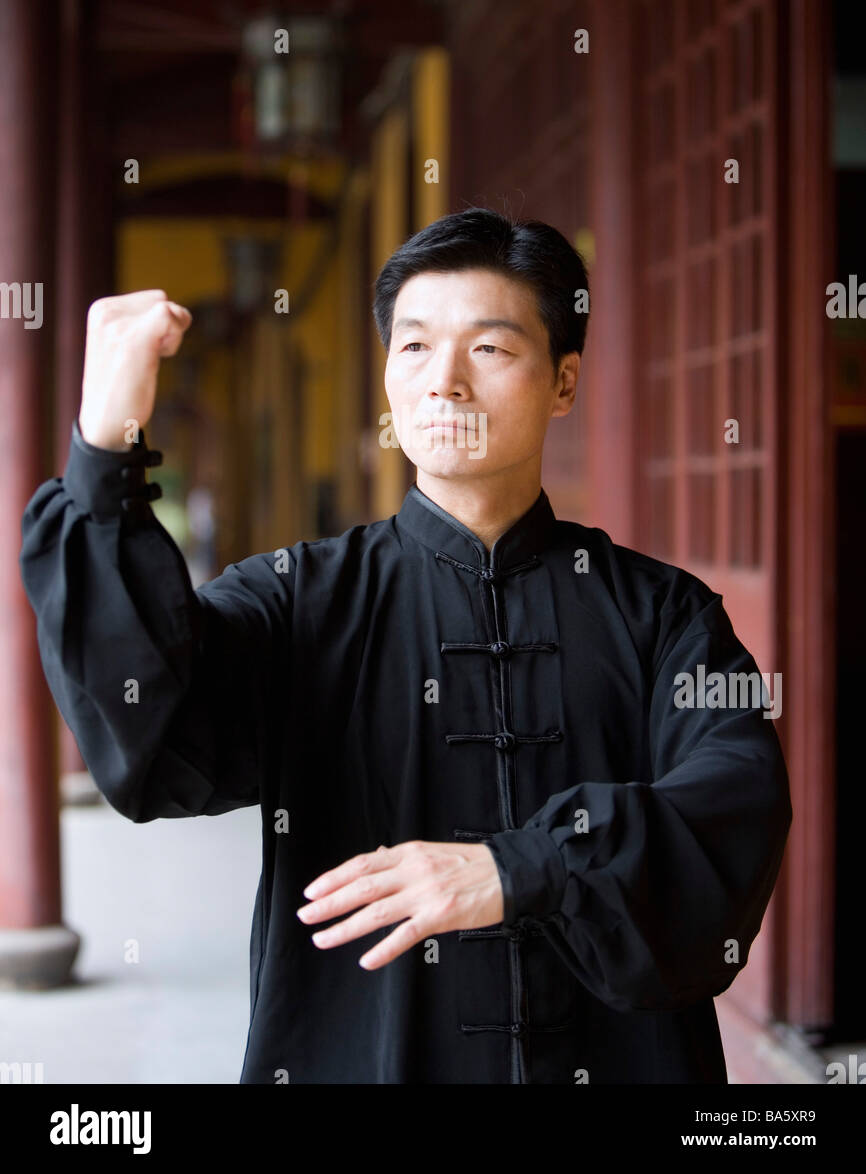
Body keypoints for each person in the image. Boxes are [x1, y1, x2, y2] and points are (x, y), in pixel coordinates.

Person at [20, 207, 791, 1084]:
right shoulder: (296, 599)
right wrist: (102, 456)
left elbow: (735, 809)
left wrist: (522, 868)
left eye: (491, 349)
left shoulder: (664, 616)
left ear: (564, 382)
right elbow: (150, 736)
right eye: (415, 348)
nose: (445, 384)